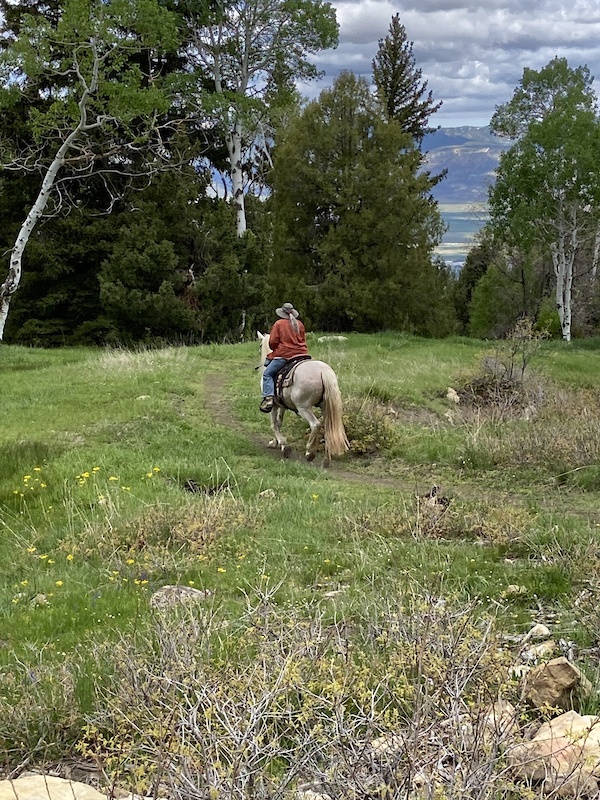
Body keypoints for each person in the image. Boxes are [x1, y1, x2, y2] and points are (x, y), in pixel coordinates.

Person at [260, 302, 309, 412]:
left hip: (285, 355)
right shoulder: (299, 324)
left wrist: (276, 348)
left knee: (267, 373)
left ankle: (269, 398)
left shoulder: (279, 324)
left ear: (282, 313)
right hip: (302, 355)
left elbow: (273, 342)